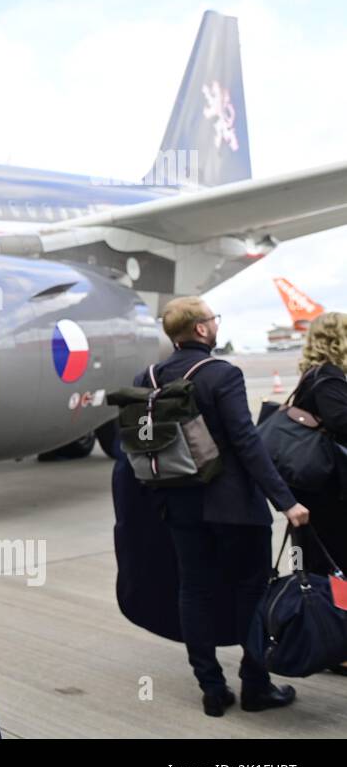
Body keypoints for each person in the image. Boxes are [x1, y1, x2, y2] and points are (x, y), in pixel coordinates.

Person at [141, 296, 309, 717]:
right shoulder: (221, 374)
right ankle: (256, 685)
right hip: (234, 509)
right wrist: (285, 501)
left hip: (180, 507)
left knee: (194, 590)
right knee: (251, 593)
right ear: (201, 329)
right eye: (214, 319)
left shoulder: (149, 378)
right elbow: (246, 442)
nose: (216, 325)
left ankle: (211, 688)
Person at [285, 312, 347, 580]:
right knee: (332, 564)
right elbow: (340, 421)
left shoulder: (313, 375)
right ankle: (331, 616)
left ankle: (319, 608)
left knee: (310, 560)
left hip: (310, 484)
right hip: (327, 491)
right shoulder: (329, 377)